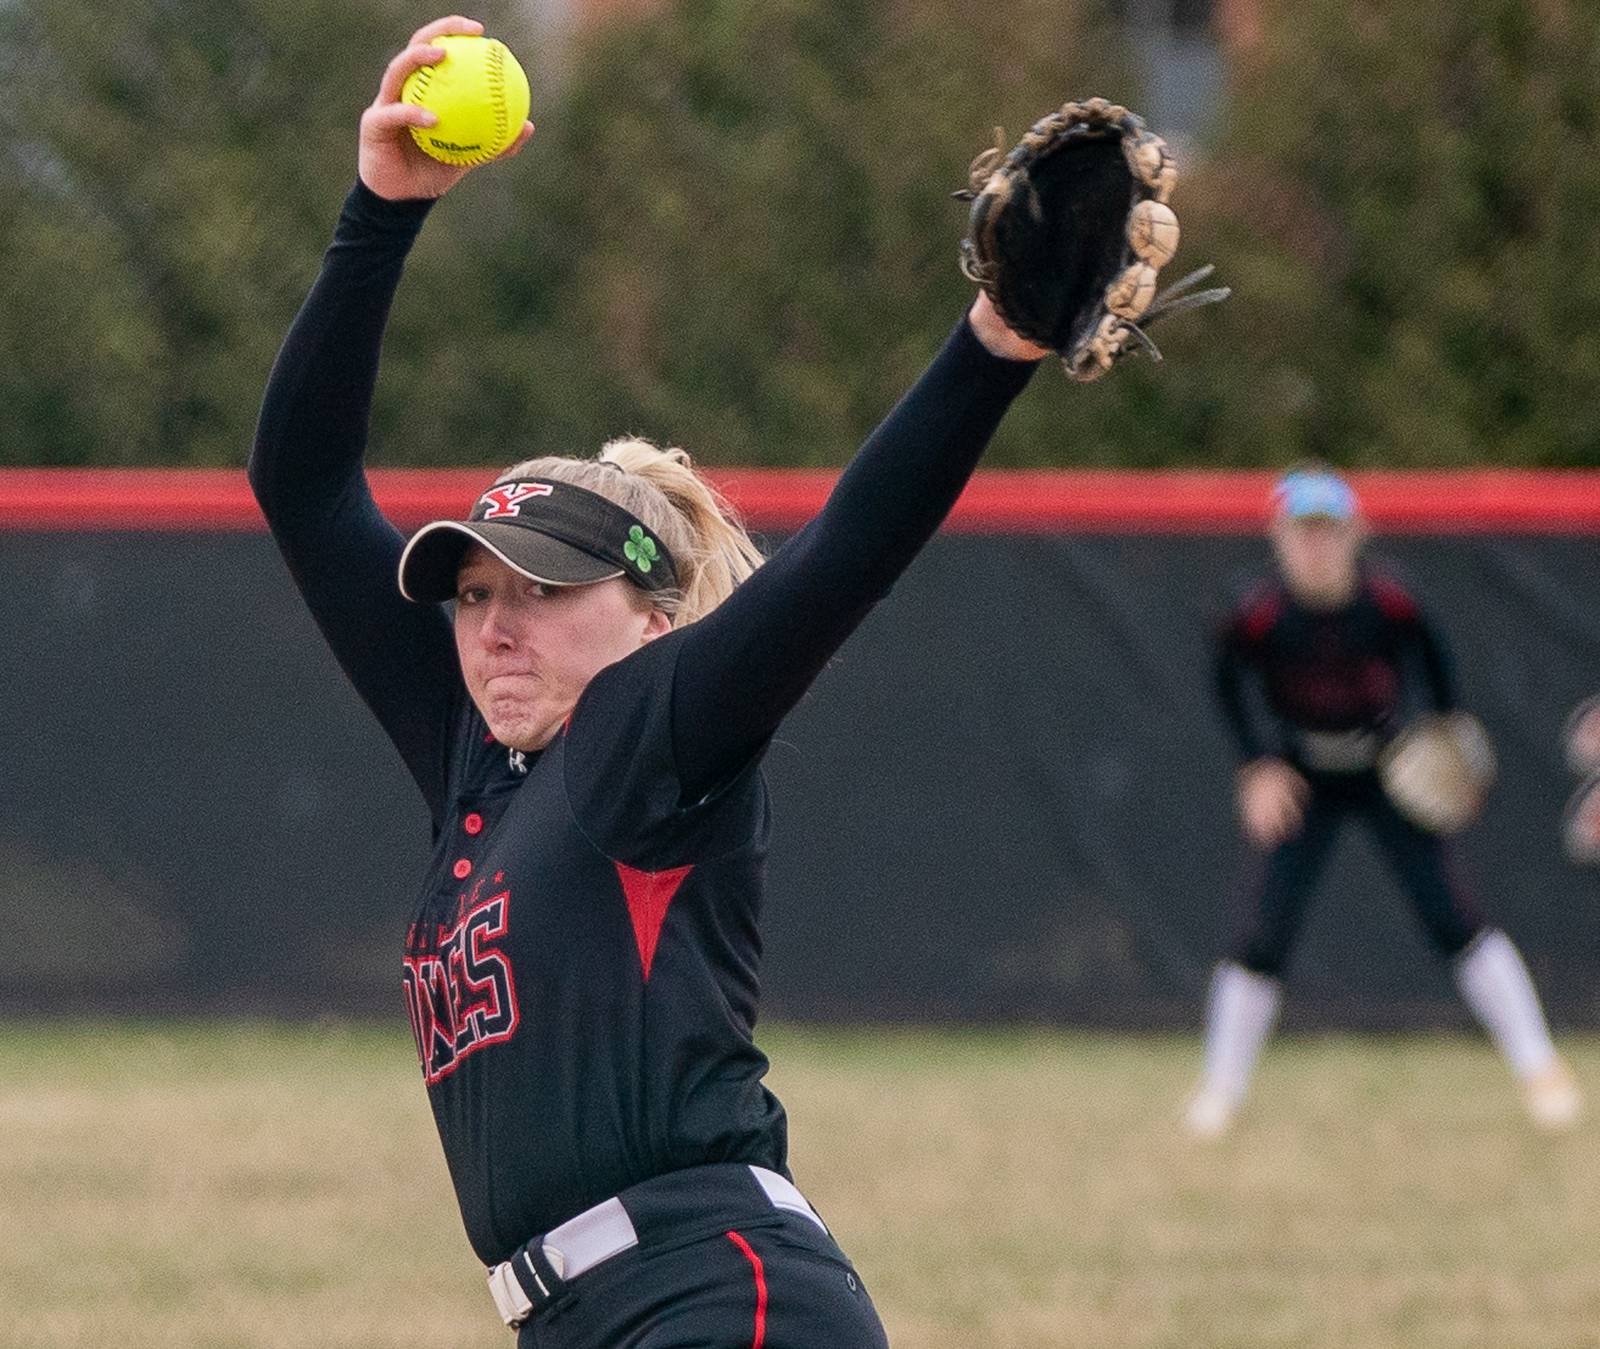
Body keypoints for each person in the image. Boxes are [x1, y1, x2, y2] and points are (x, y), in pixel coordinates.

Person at [250, 16, 1052, 1344]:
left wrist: (994, 342)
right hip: (580, 1315)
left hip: (715, 1290)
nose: (495, 627)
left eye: (542, 591)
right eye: (474, 594)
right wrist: (381, 209)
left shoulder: (651, 733)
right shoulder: (474, 761)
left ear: (652, 617)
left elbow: (847, 549)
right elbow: (301, 483)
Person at [1184, 466, 1581, 1137]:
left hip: (1389, 771)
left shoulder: (1392, 603)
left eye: (1328, 530)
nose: (1316, 545)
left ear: (1356, 533)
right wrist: (1257, 765)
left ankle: (1541, 1069)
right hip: (1305, 776)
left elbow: (1442, 685)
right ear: (1278, 536)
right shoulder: (1256, 614)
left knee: (1454, 917)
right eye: (1302, 531)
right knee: (1262, 932)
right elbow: (1229, 687)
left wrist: (1448, 754)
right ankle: (1219, 1092)